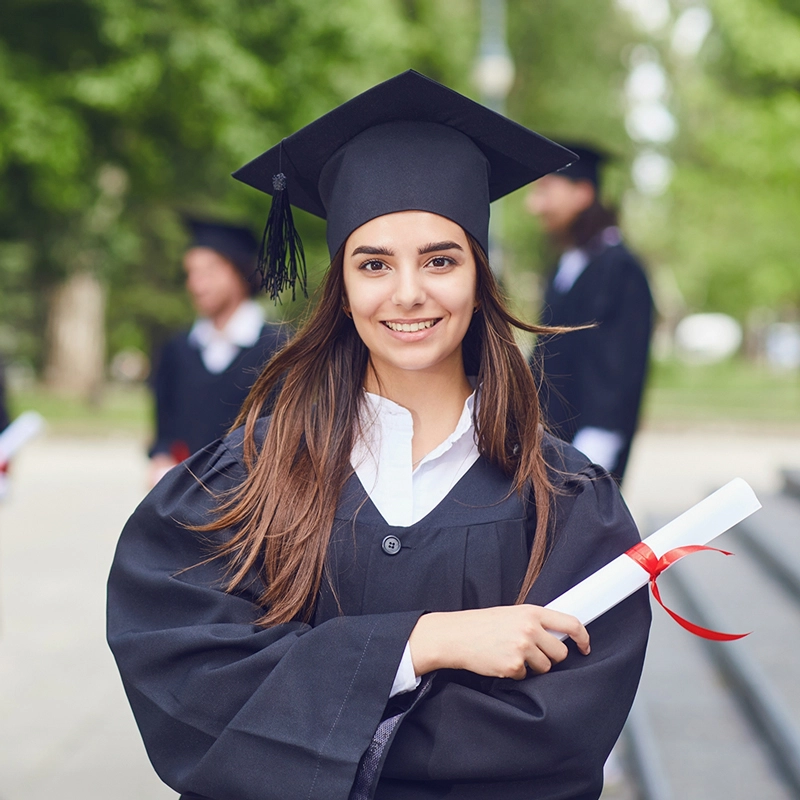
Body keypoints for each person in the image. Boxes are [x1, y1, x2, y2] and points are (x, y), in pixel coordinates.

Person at [108, 71, 651, 800]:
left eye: (439, 259)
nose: (407, 293)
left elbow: (556, 737)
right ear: (342, 285)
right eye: (373, 264)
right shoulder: (243, 477)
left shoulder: (565, 500)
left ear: (478, 276)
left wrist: (317, 716)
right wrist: (425, 643)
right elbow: (188, 682)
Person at [527, 145, 653, 482]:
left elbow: (620, 368)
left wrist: (594, 453)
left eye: (545, 190)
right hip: (551, 445)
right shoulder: (568, 263)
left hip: (585, 454)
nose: (534, 205)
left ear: (582, 193)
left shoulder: (619, 269)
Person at [148, 219, 287, 485]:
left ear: (239, 271)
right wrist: (161, 458)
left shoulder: (279, 350)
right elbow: (164, 430)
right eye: (191, 273)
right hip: (183, 498)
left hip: (253, 499)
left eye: (209, 271)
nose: (196, 285)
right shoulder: (178, 349)